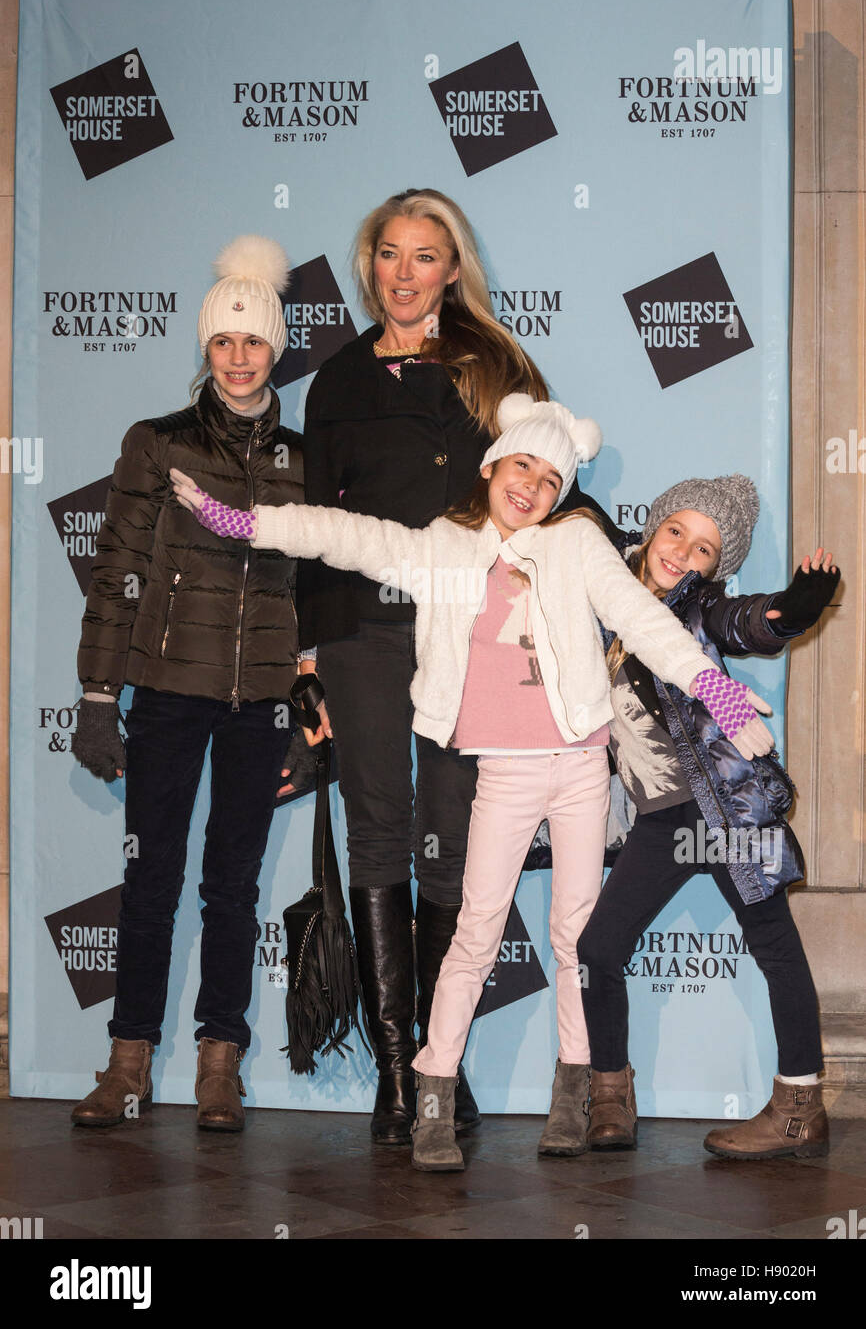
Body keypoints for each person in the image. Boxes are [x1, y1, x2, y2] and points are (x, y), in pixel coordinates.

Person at [170, 394, 771, 1169]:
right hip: (505, 775)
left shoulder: (576, 547)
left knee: (574, 938)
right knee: (474, 933)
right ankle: (433, 1096)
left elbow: (644, 621)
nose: (533, 486)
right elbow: (344, 533)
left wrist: (713, 687)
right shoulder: (443, 548)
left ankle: (573, 1093)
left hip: (582, 769)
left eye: (552, 478)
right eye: (522, 464)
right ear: (492, 465)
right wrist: (246, 522)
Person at [294, 187, 616, 1144]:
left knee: (450, 844)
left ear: (452, 267)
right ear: (370, 267)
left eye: (424, 255)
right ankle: (400, 1077)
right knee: (378, 833)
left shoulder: (498, 366)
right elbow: (315, 527)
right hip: (359, 628)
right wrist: (306, 662)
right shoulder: (338, 379)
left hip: (463, 628)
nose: (403, 271)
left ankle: (443, 1062)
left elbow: (543, 492)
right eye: (387, 253)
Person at [69, 235, 304, 1133]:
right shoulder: (155, 443)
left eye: (254, 343)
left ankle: (220, 1067)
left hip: (261, 703)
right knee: (150, 882)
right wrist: (98, 698)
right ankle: (127, 1066)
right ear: (204, 350)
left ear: (275, 349)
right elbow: (116, 566)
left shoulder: (303, 457)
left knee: (233, 888)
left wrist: (308, 702)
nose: (239, 358)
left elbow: (317, 586)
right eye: (222, 342)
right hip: (166, 693)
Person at [577, 475, 839, 1159]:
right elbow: (567, 502)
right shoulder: (603, 589)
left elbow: (746, 620)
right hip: (662, 820)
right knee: (599, 950)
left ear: (712, 571)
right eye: (676, 533)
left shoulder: (699, 608)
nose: (684, 554)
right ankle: (609, 1093)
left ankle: (798, 1109)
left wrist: (791, 613)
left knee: (775, 944)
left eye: (704, 550)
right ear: (652, 528)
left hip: (726, 802)